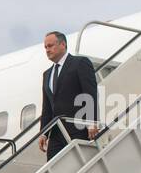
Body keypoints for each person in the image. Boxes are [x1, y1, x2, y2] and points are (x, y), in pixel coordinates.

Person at [39, 31, 99, 161]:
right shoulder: (47, 74)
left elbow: (90, 93)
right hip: (56, 133)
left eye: (50, 46)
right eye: (45, 47)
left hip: (78, 129)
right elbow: (47, 107)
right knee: (55, 170)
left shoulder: (79, 63)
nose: (47, 50)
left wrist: (92, 121)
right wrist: (44, 133)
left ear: (63, 44)